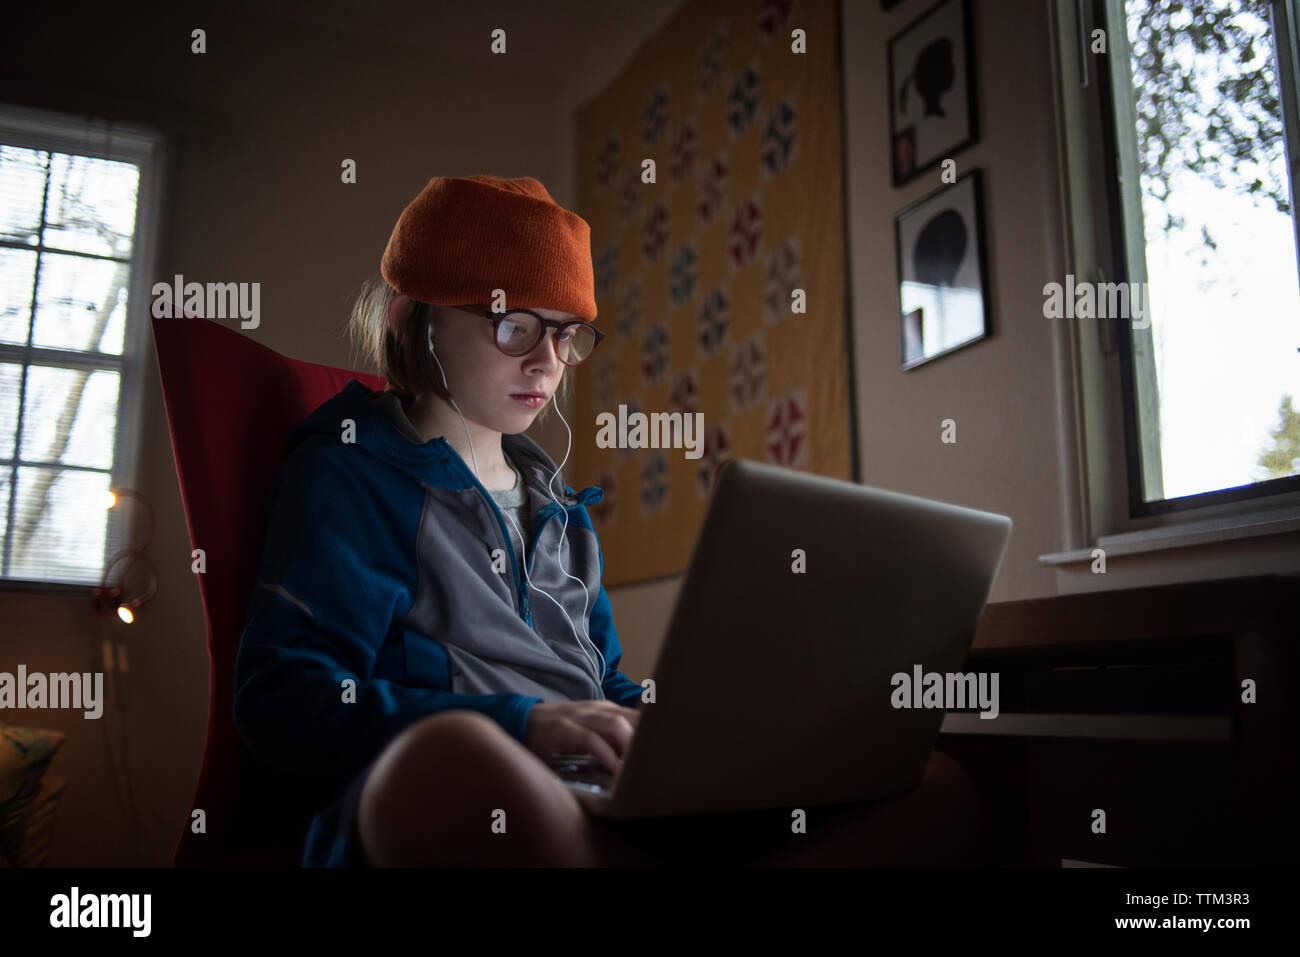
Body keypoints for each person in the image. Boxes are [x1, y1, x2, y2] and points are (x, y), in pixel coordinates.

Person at [233, 174, 981, 868]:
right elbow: (286, 702)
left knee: (936, 785)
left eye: (566, 334)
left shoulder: (562, 512)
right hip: (472, 789)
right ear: (412, 315)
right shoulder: (352, 475)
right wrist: (522, 722)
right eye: (515, 326)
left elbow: (606, 684)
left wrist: (692, 736)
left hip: (594, 794)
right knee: (449, 761)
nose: (547, 362)